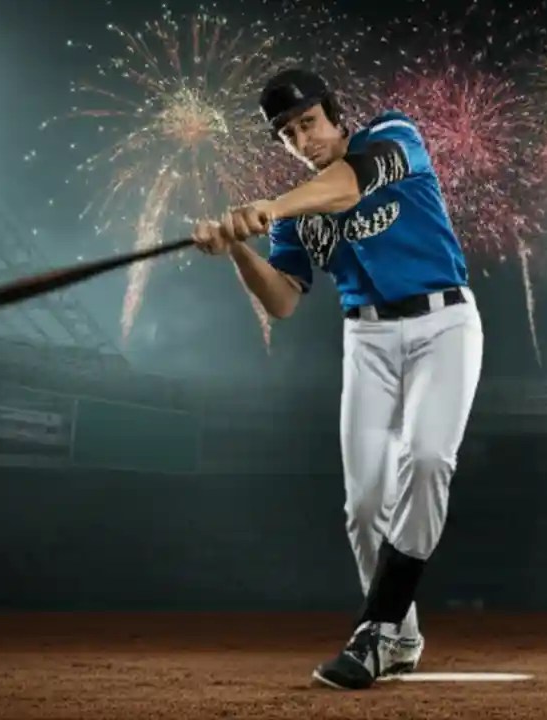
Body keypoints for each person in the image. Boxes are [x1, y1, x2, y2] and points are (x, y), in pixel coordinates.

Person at [191, 68, 483, 690]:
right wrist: (238, 248)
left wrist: (267, 205)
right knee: (363, 506)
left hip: (445, 324)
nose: (303, 137)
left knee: (428, 459)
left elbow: (349, 187)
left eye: (309, 121)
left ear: (334, 112)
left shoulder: (393, 134)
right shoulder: (292, 219)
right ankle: (401, 638)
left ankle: (374, 629)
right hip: (368, 339)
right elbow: (283, 301)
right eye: (289, 132)